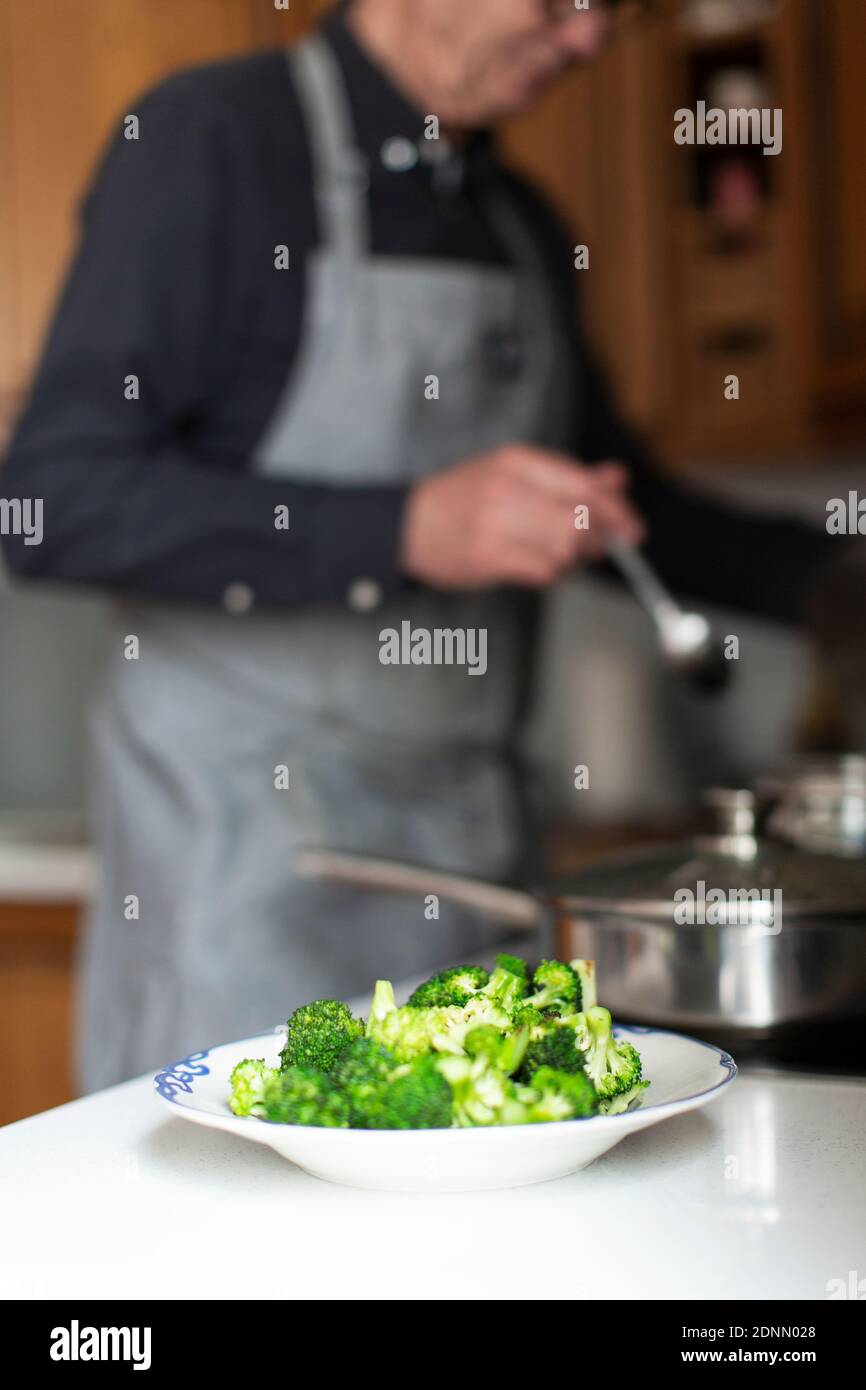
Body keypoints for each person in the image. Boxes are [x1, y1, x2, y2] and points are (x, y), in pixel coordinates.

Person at [0, 0, 841, 1090]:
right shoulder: (208, 143)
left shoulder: (521, 226)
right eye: (558, 5)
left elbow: (618, 510)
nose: (585, 44)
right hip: (243, 878)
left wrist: (830, 582)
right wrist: (404, 526)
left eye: (609, 17)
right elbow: (54, 496)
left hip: (476, 871)